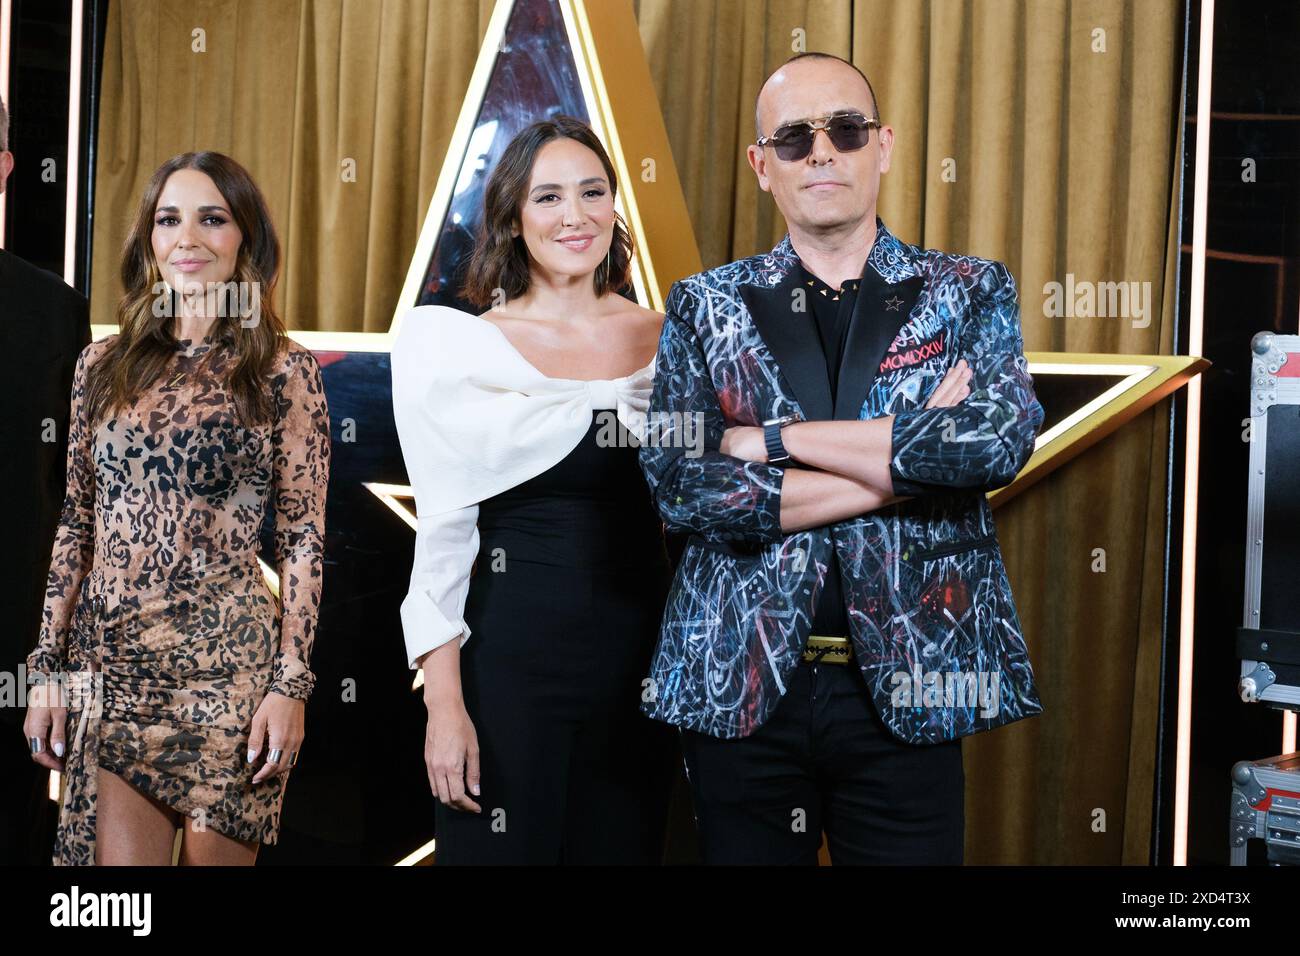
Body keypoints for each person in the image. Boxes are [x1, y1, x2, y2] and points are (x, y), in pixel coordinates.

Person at [638, 52, 1045, 865]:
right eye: (794, 138)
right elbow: (683, 485)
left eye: (846, 130)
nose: (822, 151)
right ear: (762, 165)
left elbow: (995, 443)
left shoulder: (968, 290)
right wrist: (907, 460)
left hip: (916, 681)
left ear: (883, 146)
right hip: (740, 686)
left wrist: (774, 441)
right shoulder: (703, 305)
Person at [21, 150, 332, 865]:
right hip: (114, 666)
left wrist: (292, 686)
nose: (186, 238)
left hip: (229, 676)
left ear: (245, 239)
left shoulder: (284, 371)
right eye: (169, 220)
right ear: (149, 240)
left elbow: (305, 540)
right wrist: (45, 665)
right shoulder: (102, 365)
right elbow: (77, 521)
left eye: (211, 219)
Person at [392, 115, 676, 864]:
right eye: (547, 197)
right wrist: (445, 706)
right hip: (507, 669)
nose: (573, 215)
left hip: (644, 668)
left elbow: (717, 492)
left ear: (616, 206)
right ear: (514, 219)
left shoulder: (676, 335)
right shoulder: (458, 349)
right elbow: (444, 536)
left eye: (591, 192)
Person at [0, 93, 92, 865]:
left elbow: (75, 503)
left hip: (13, 659)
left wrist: (54, 663)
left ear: (2, 169)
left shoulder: (56, 315)